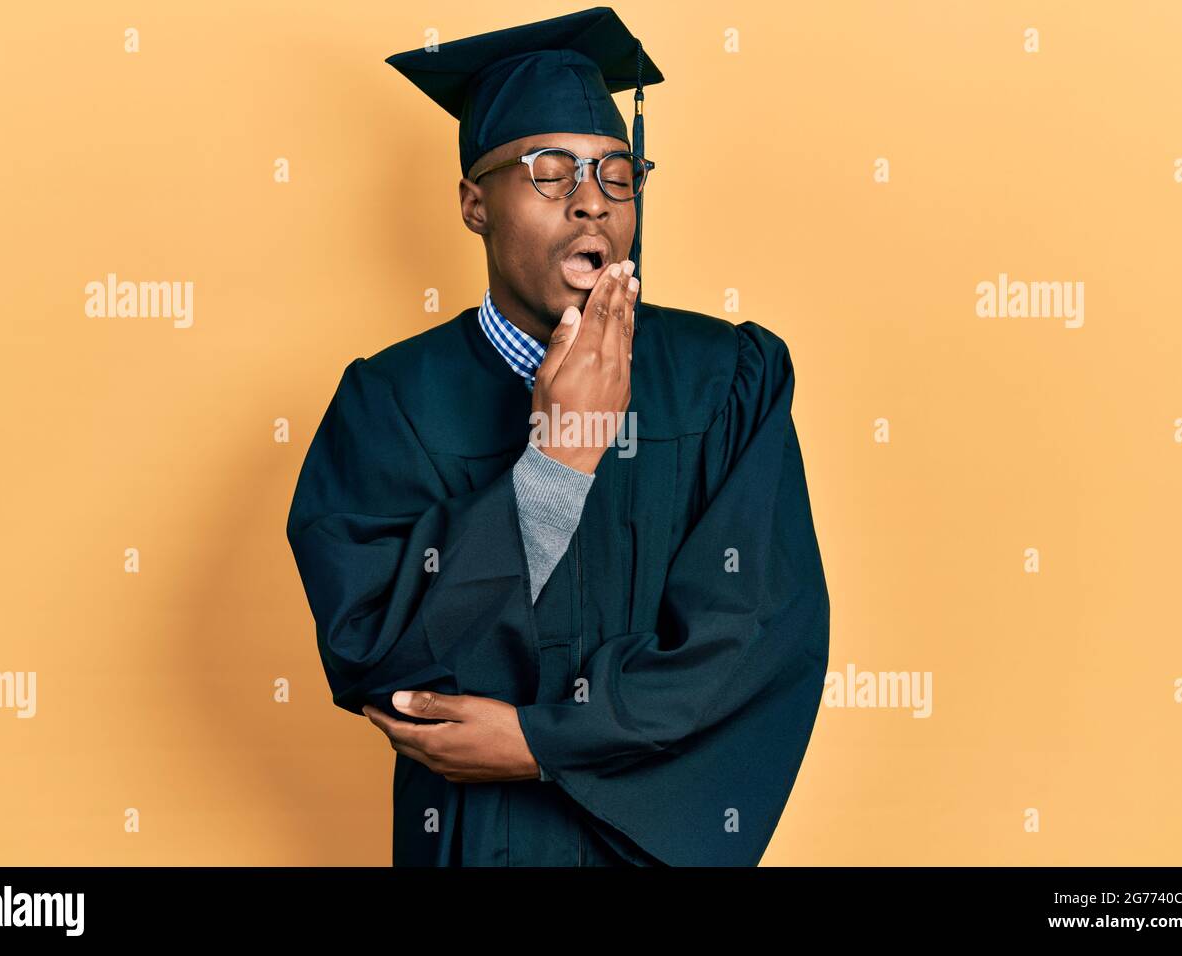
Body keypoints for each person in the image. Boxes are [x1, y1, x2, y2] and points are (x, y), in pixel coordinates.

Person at [285, 6, 830, 866]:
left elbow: (758, 637)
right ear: (474, 203)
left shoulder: (727, 379)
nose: (591, 198)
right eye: (549, 171)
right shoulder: (389, 402)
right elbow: (378, 657)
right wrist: (555, 465)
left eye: (618, 172)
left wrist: (545, 740)